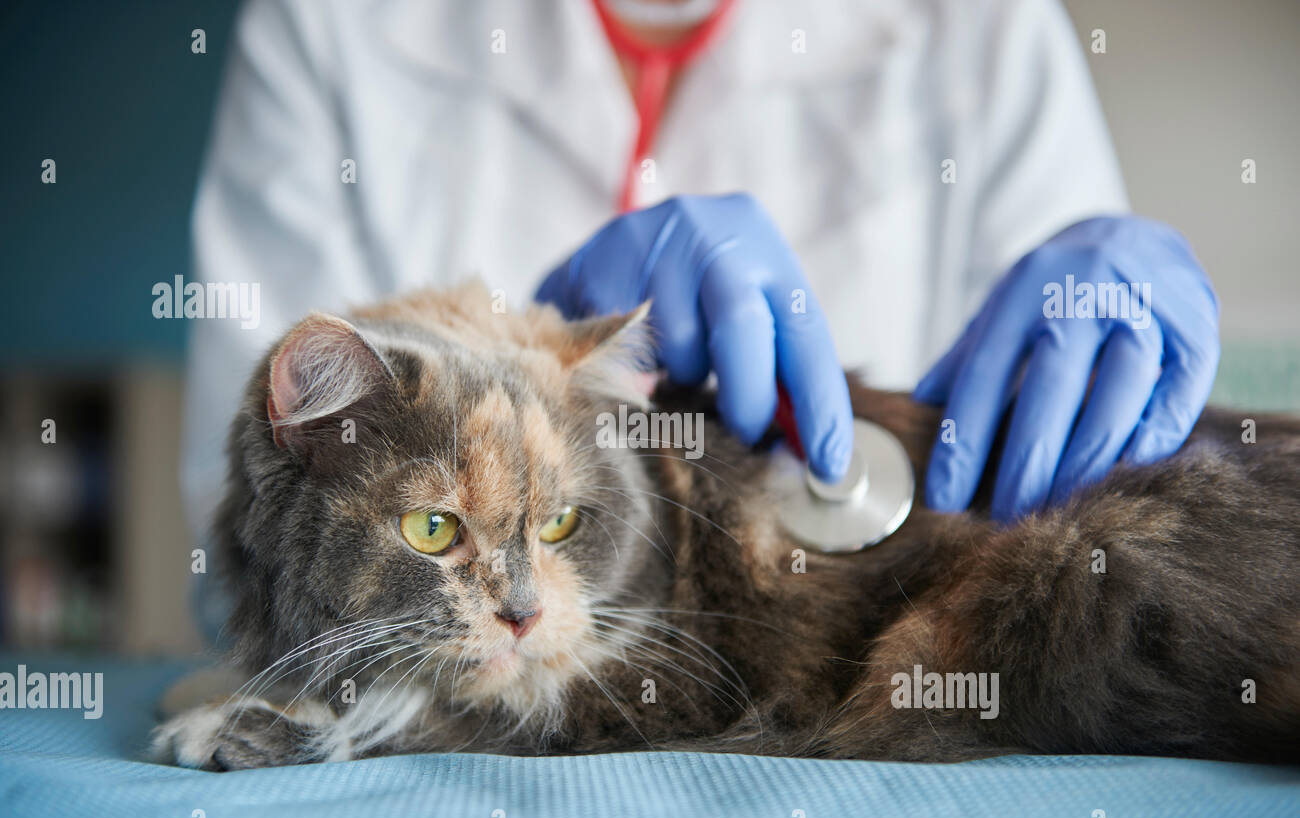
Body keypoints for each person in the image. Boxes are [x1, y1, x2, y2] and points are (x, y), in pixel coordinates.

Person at [184, 0, 1219, 550]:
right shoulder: (329, 22)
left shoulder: (984, 29)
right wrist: (515, 342)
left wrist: (1114, 272)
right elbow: (244, 526)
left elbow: (1093, 422)